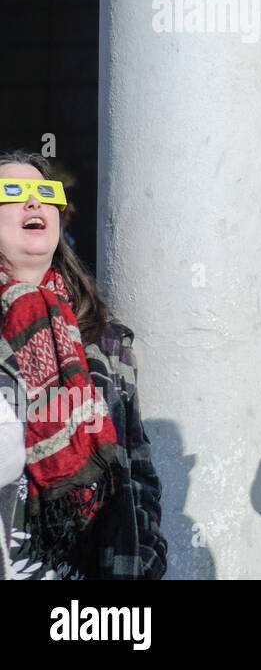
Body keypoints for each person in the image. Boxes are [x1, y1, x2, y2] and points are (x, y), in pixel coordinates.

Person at [0, 151, 165, 580]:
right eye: (12, 193)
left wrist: (144, 556)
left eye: (44, 193)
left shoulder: (105, 341)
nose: (34, 204)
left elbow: (139, 469)